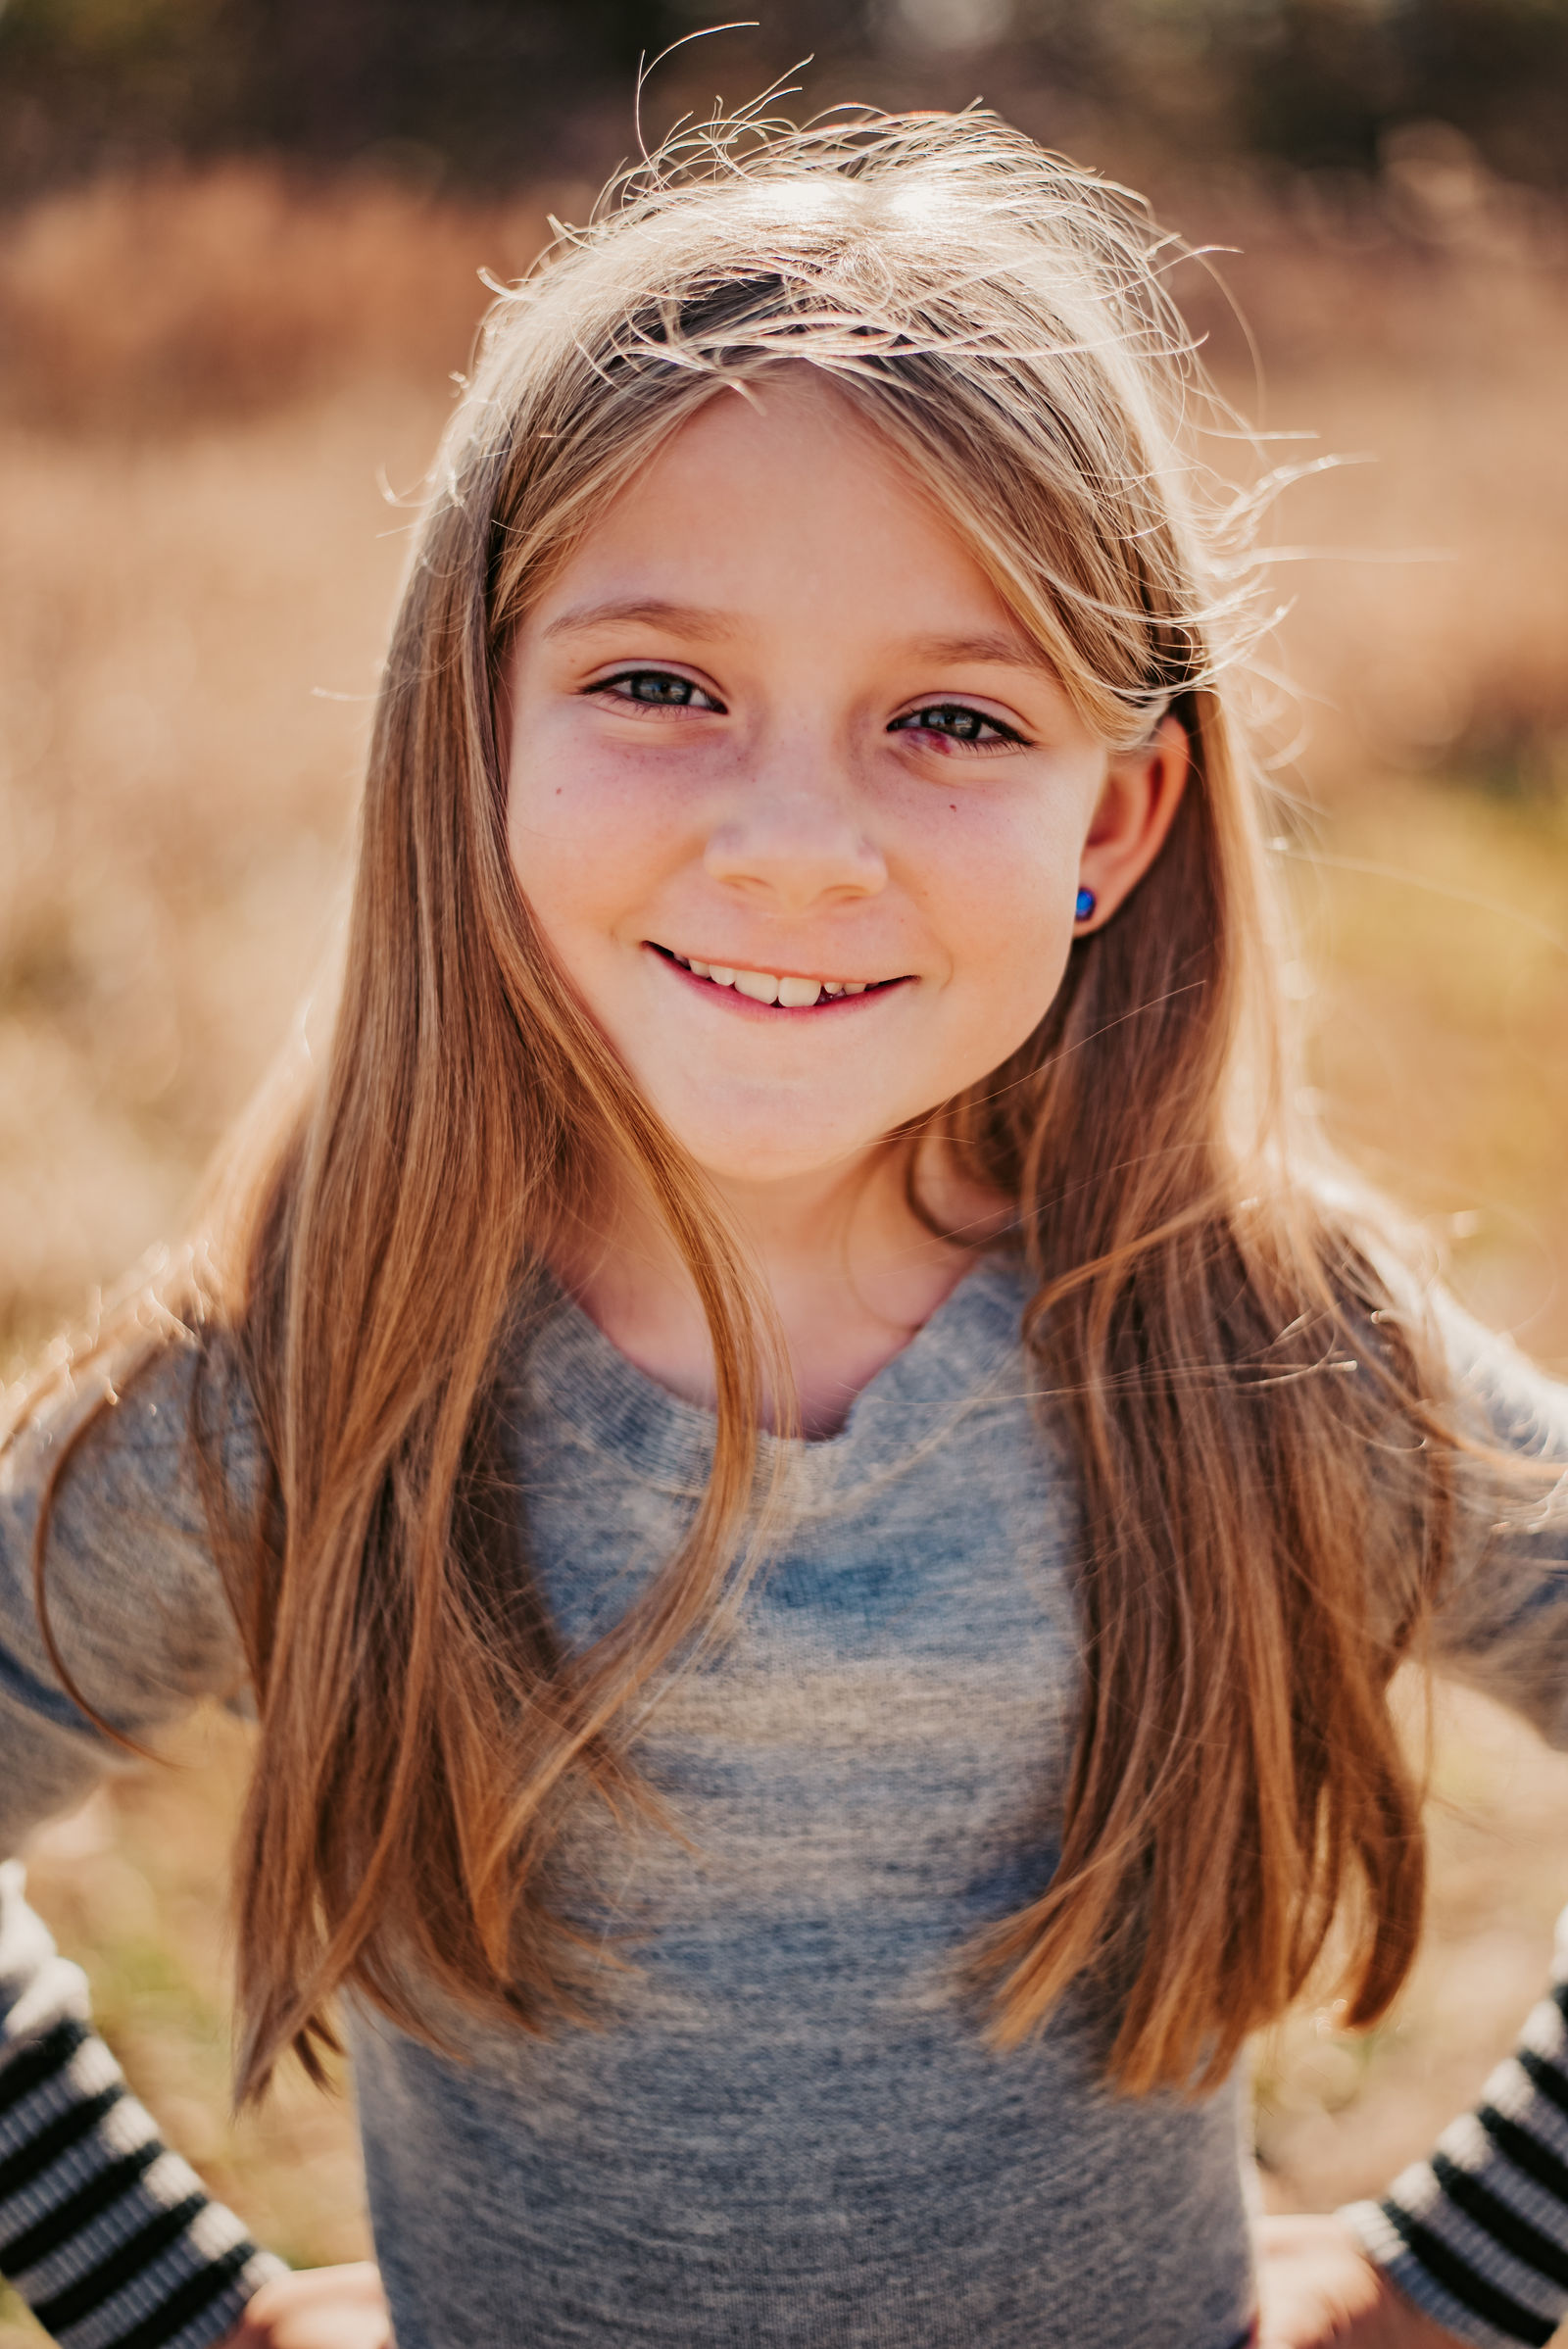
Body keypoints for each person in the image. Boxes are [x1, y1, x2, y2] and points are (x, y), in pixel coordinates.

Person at [0, 104, 1565, 2349]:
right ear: (474, 722)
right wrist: (164, 2299)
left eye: (947, 715)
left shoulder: (1247, 1338)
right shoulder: (306, 1377)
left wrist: (1469, 2268)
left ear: (1112, 817)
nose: (794, 842)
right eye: (658, 685)